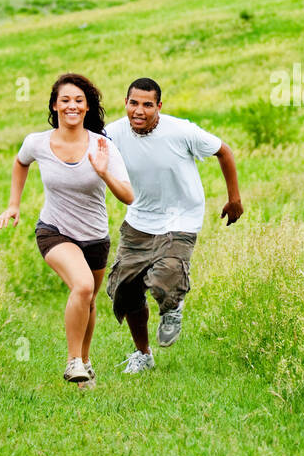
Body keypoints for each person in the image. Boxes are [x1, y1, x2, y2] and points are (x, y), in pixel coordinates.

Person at [0, 73, 134, 388]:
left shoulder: (102, 146)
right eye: (66, 100)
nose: (72, 106)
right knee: (82, 286)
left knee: (89, 298)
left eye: (79, 101)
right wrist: (13, 204)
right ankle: (73, 361)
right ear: (55, 106)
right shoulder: (38, 142)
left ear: (87, 108)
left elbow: (128, 195)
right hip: (55, 231)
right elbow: (20, 163)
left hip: (95, 236)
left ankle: (85, 364)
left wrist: (103, 172)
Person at [96, 77, 242, 374]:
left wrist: (234, 199)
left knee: (165, 280)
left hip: (181, 217)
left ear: (159, 107)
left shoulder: (182, 131)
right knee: (124, 290)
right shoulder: (112, 134)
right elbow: (84, 151)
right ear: (125, 103)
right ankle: (143, 354)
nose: (139, 111)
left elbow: (223, 151)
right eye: (133, 103)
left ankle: (172, 306)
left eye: (147, 105)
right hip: (139, 218)